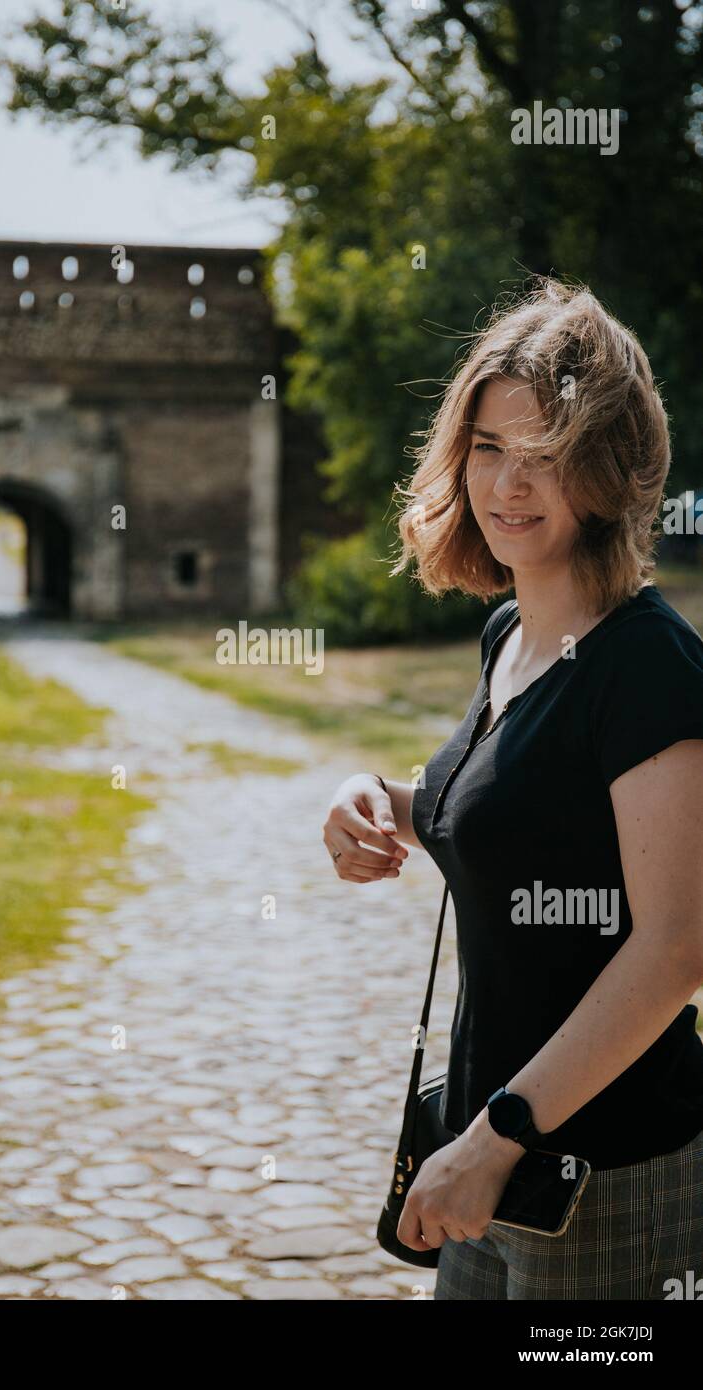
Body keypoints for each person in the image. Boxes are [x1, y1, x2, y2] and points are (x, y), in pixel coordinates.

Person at [322, 279, 703, 1300]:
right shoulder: (507, 637)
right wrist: (372, 795)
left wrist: (499, 1136)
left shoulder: (646, 665)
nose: (508, 482)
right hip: (484, 1162)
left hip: (604, 1179)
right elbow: (504, 813)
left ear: (609, 466)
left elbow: (676, 948)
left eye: (546, 452)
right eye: (488, 447)